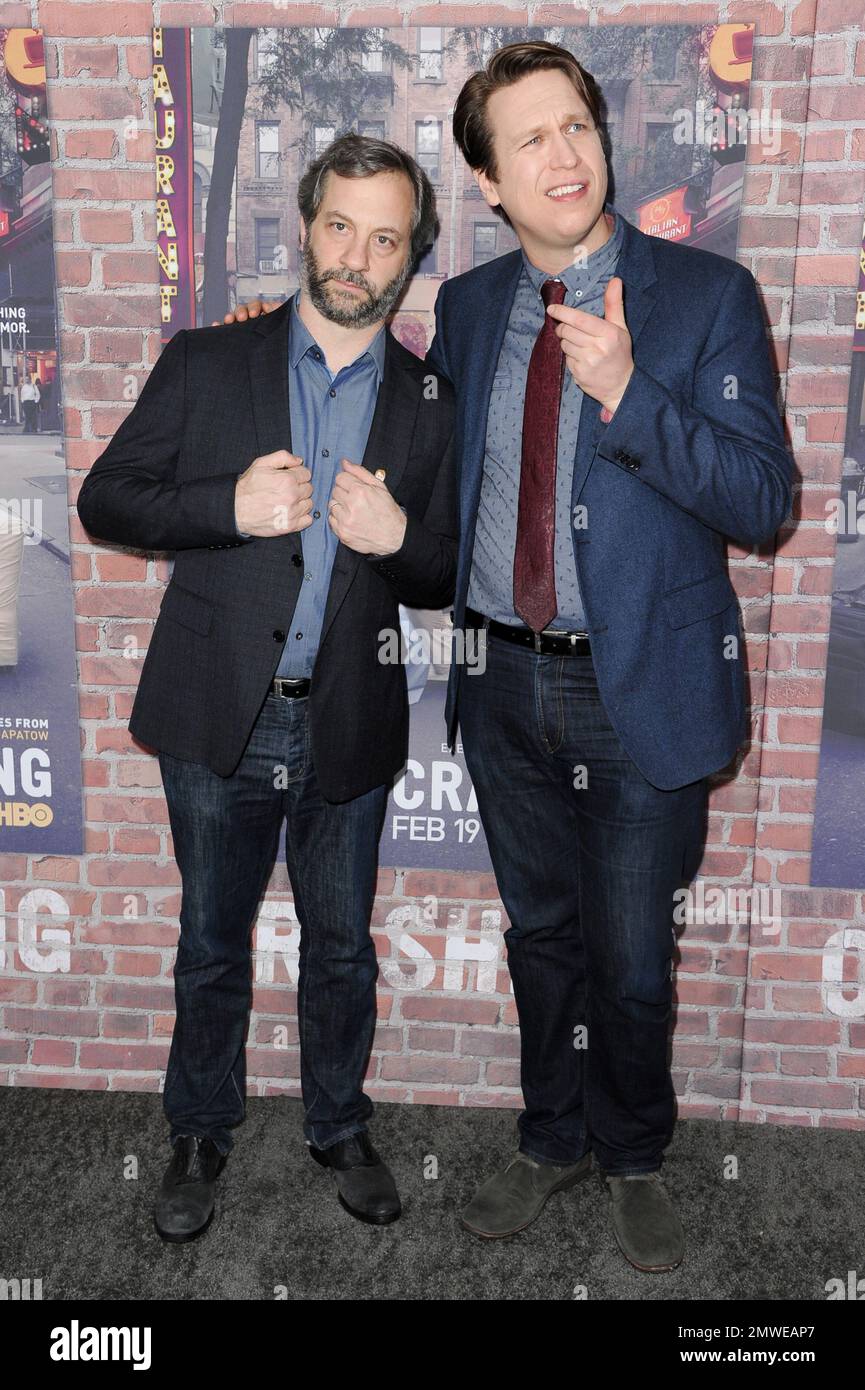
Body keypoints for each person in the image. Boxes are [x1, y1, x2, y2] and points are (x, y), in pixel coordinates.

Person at [220, 41, 793, 1274]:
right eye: (527, 138)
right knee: (541, 935)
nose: (563, 154)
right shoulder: (471, 312)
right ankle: (553, 1135)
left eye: (575, 125)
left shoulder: (705, 295)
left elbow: (762, 498)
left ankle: (634, 1150)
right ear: (485, 181)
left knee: (634, 957)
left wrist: (632, 391)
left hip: (640, 686)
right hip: (501, 683)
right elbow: (429, 468)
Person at [77, 134, 457, 1242]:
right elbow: (108, 500)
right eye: (340, 224)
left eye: (385, 237)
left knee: (342, 945)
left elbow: (444, 573)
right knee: (211, 939)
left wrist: (398, 542)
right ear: (306, 222)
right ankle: (199, 1128)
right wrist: (223, 508)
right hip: (216, 715)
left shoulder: (432, 397)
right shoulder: (206, 361)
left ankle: (338, 1124)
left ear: (409, 258)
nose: (357, 254)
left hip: (345, 716)